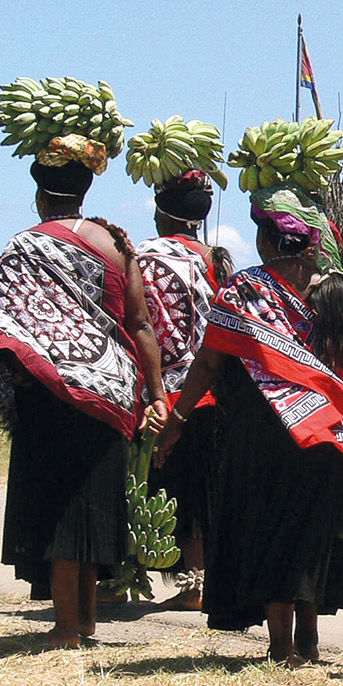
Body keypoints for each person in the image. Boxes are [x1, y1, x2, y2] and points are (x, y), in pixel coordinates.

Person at [154, 186, 343, 666]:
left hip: (262, 436)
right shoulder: (339, 292)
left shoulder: (243, 291)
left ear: (264, 244)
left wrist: (177, 419)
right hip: (330, 435)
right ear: (312, 246)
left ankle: (281, 646)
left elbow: (208, 362)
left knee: (269, 532)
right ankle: (309, 640)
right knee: (312, 534)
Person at [0, 145, 168, 649]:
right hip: (111, 391)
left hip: (50, 393)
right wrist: (156, 393)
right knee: (92, 506)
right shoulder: (116, 245)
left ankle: (68, 628)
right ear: (86, 190)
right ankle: (84, 619)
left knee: (62, 509)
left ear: (40, 195)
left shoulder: (26, 247)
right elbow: (140, 324)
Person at [136, 171, 233, 610]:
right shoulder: (215, 259)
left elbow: (138, 323)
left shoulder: (144, 256)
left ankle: (187, 584)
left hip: (163, 390)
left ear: (161, 211)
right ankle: (202, 577)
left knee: (158, 484)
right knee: (202, 482)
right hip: (213, 386)